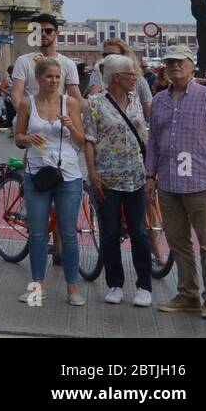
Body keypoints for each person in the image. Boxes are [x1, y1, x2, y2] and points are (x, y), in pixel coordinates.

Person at [145, 45, 206, 320]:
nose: (174, 67)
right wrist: (150, 176)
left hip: (201, 182)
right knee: (178, 242)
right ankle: (188, 294)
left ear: (192, 65)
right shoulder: (159, 100)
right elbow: (154, 142)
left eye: (180, 62)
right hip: (168, 183)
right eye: (170, 62)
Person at [14, 56, 86, 306]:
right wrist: (27, 138)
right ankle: (37, 286)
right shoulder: (27, 103)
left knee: (68, 233)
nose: (54, 81)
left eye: (58, 77)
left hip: (67, 174)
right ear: (39, 79)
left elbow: (81, 141)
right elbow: (18, 137)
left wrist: (72, 128)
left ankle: (72, 288)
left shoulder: (71, 103)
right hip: (37, 173)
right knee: (37, 233)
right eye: (49, 77)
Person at [83, 53, 153, 307]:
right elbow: (89, 141)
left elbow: (144, 134)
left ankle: (144, 285)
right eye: (130, 74)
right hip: (107, 178)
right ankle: (115, 284)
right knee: (110, 232)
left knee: (139, 232)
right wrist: (92, 173)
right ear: (116, 77)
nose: (135, 78)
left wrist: (150, 171)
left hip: (136, 175)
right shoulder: (94, 104)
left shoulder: (136, 101)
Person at [10, 13, 83, 120]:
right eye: (39, 31)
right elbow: (16, 95)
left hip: (58, 121)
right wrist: (26, 119)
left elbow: (76, 98)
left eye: (48, 31)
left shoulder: (68, 64)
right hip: (28, 120)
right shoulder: (23, 61)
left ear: (57, 33)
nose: (43, 34)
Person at [86, 38, 153, 118]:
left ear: (124, 56)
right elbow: (95, 103)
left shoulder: (138, 79)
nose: (107, 58)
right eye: (105, 55)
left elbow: (148, 110)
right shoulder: (97, 74)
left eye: (113, 55)